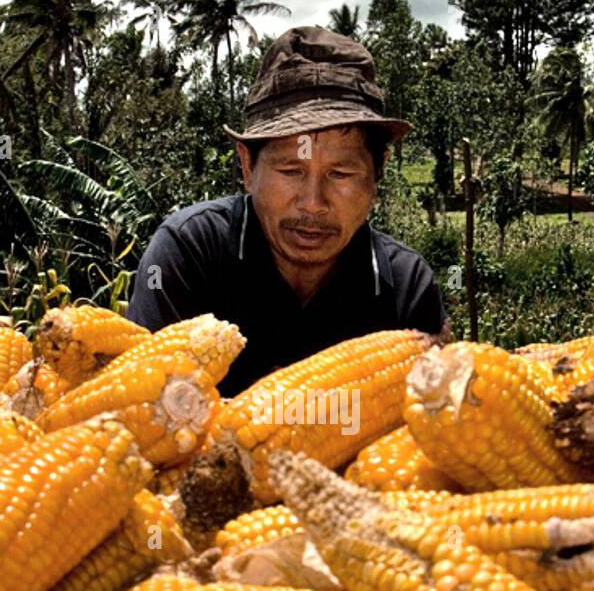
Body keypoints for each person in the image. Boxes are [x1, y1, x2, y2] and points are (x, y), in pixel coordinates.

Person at [125, 26, 447, 395]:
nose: (313, 203)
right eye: (292, 171)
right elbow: (141, 407)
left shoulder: (406, 287)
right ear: (248, 167)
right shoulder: (189, 253)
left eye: (340, 173)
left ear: (379, 172)